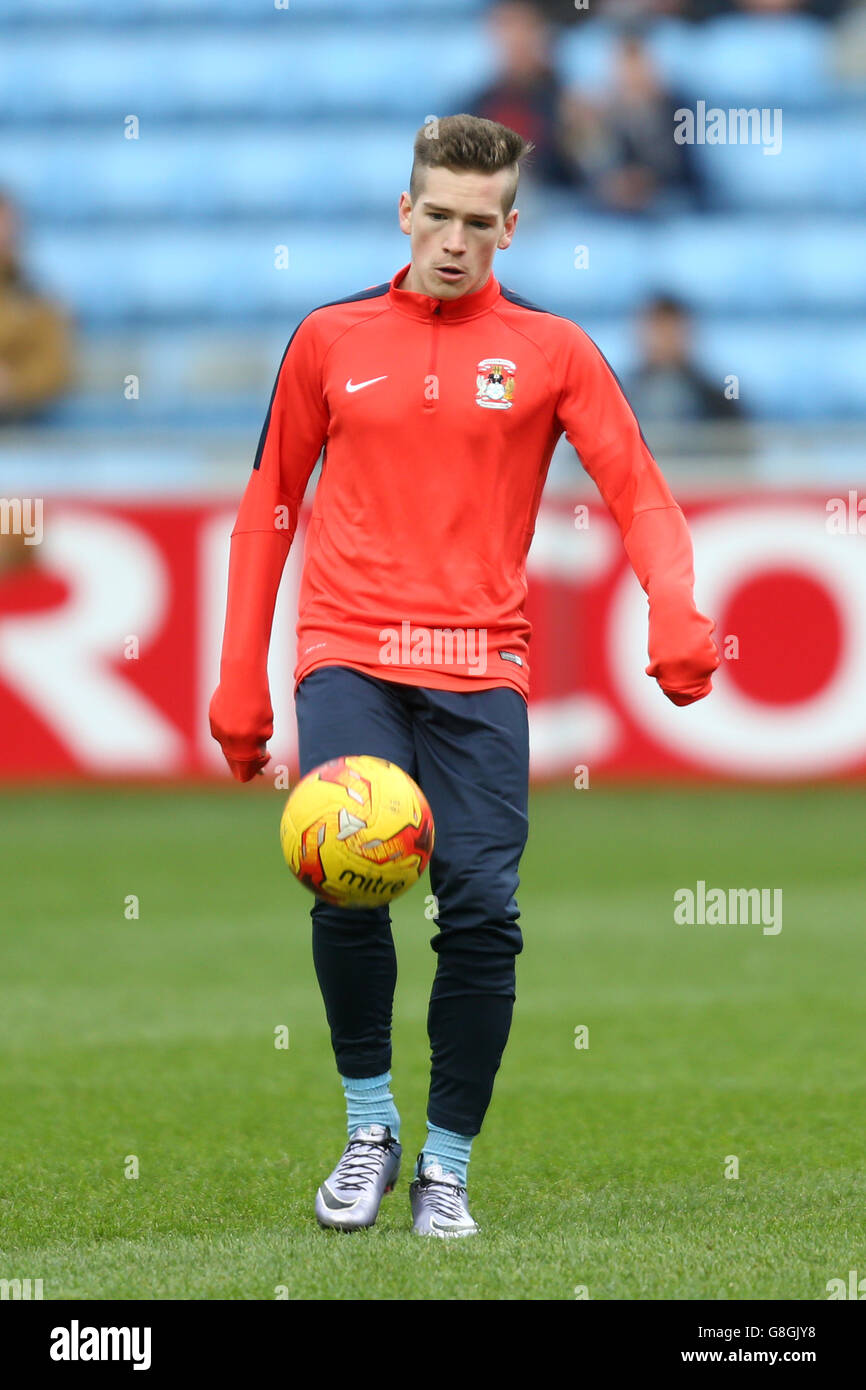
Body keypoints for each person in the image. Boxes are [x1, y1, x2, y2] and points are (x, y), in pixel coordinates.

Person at [209, 113, 720, 1238]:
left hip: (480, 662)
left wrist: (675, 607)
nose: (452, 239)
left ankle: (445, 1162)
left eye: (475, 222)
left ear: (510, 229)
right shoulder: (327, 338)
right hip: (345, 645)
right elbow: (269, 505)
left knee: (481, 912)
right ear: (404, 211)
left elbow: (637, 490)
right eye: (434, 214)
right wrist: (239, 673)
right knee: (345, 876)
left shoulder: (553, 352)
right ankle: (365, 1127)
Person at [0, 192, 74, 422]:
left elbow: (56, 366)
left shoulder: (37, 297)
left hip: (22, 425)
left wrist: (14, 383)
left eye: (6, 225)